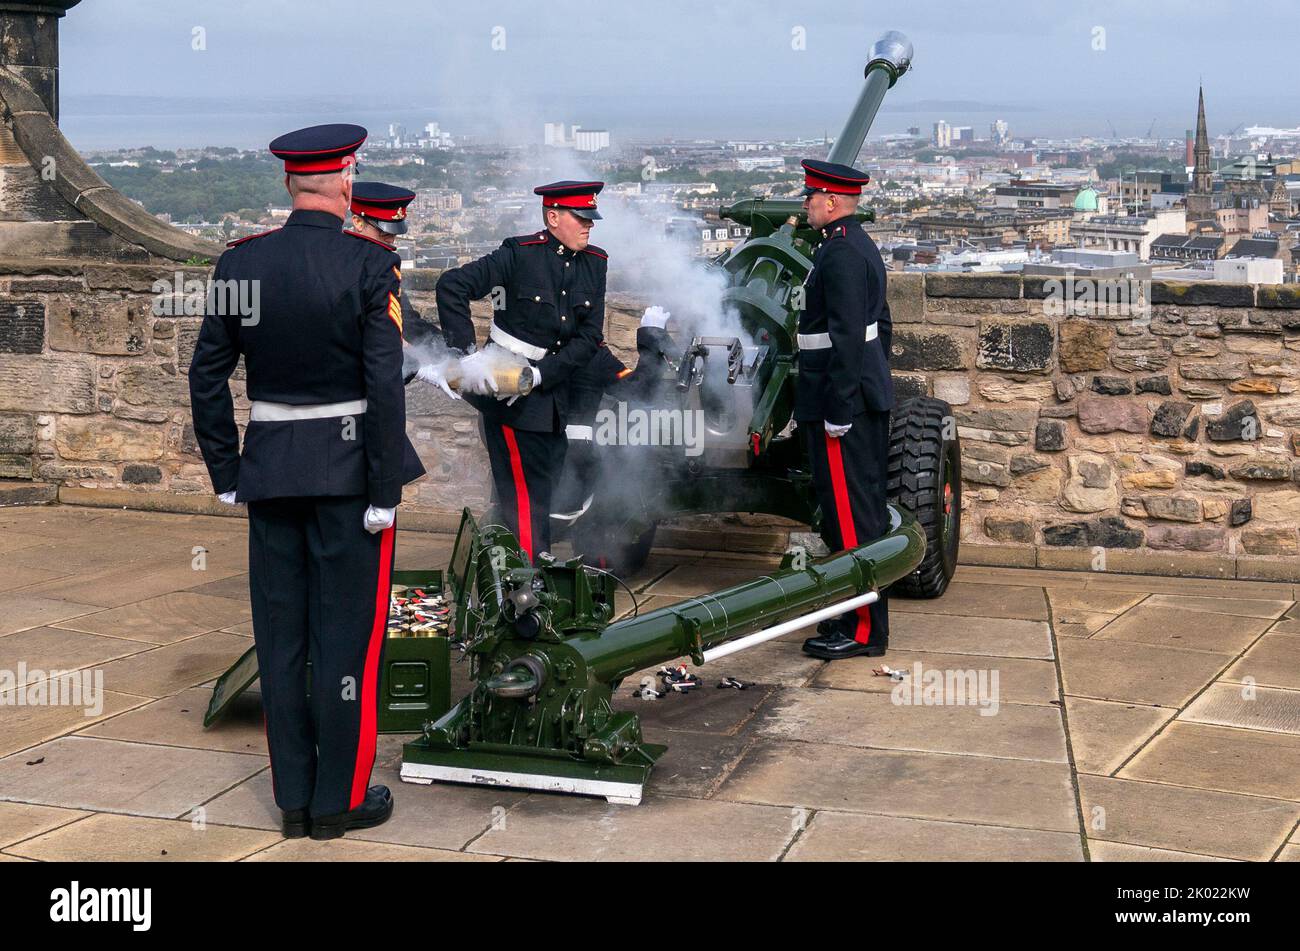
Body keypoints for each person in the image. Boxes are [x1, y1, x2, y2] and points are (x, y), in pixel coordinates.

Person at [188, 124, 425, 839]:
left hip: (271, 471)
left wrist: (228, 471)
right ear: (347, 180)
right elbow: (385, 385)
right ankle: (337, 801)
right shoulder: (366, 264)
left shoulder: (242, 265)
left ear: (290, 183)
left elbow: (206, 376)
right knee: (347, 640)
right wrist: (386, 487)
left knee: (282, 637)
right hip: (350, 477)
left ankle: (292, 798)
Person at [434, 180, 606, 562]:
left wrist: (544, 374)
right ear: (553, 216)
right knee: (526, 497)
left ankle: (516, 567)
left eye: (590, 218)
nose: (588, 225)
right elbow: (452, 286)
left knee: (541, 493)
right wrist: (467, 358)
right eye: (581, 218)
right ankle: (530, 582)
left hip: (553, 395)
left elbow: (589, 335)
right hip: (509, 399)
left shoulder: (596, 263)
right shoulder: (519, 254)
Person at [792, 159, 894, 660]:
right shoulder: (850, 245)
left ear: (831, 201)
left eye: (811, 196)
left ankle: (862, 629)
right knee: (850, 514)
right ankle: (855, 612)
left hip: (840, 406)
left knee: (852, 519)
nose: (806, 203)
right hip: (849, 397)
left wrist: (840, 407)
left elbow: (848, 336)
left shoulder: (841, 254)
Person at [348, 181, 443, 354]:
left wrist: (447, 348)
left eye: (394, 234)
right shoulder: (344, 262)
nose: (391, 240)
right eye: (384, 233)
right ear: (358, 222)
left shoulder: (383, 265)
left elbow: (405, 319)